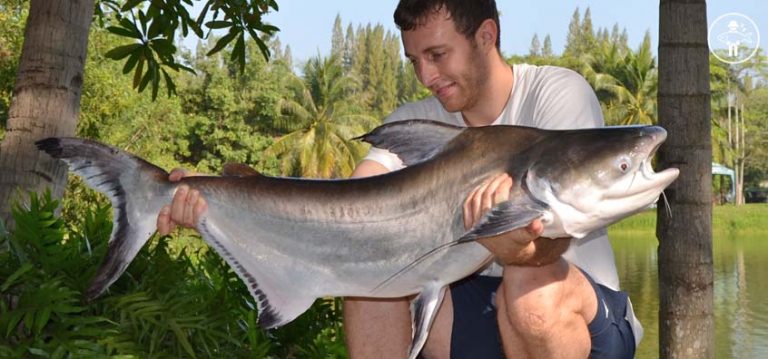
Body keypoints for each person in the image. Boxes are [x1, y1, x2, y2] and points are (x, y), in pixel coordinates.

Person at [157, 0, 640, 357]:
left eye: (437, 54)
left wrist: (514, 243)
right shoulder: (418, 119)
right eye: (414, 60)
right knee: (372, 286)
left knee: (528, 286)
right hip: (473, 318)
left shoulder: (556, 95)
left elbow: (553, 238)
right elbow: (352, 198)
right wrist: (225, 201)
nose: (426, 75)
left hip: (577, 322)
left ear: (486, 36)